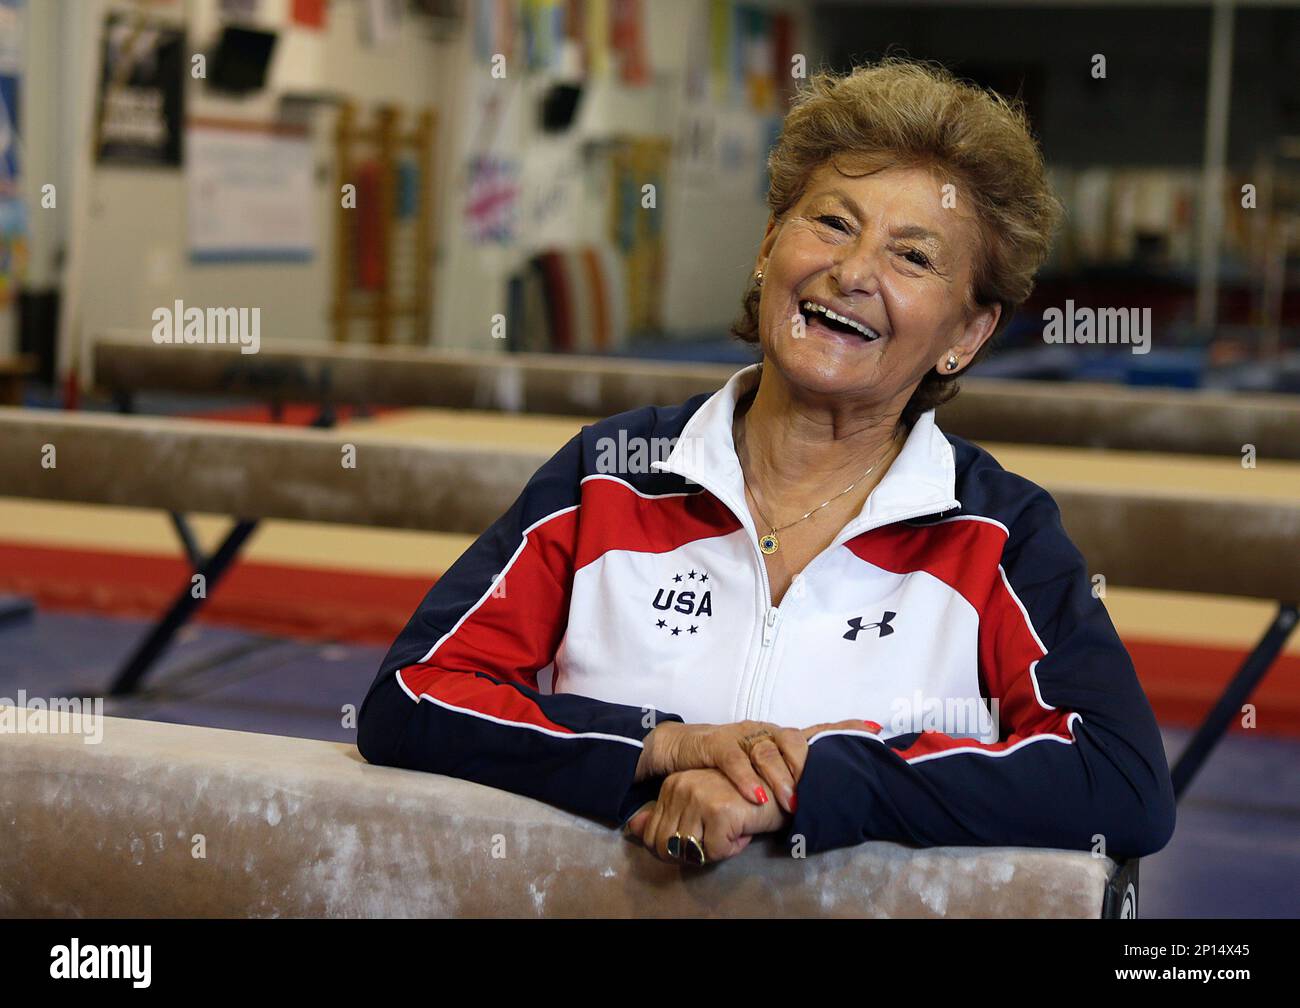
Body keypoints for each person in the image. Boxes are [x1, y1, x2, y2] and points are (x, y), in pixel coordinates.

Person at [357, 57, 1176, 868]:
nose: (852, 272)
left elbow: (1120, 777)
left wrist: (802, 783)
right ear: (767, 245)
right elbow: (412, 695)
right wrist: (660, 748)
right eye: (832, 223)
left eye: (913, 257)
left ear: (966, 336)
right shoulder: (611, 473)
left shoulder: (999, 535)